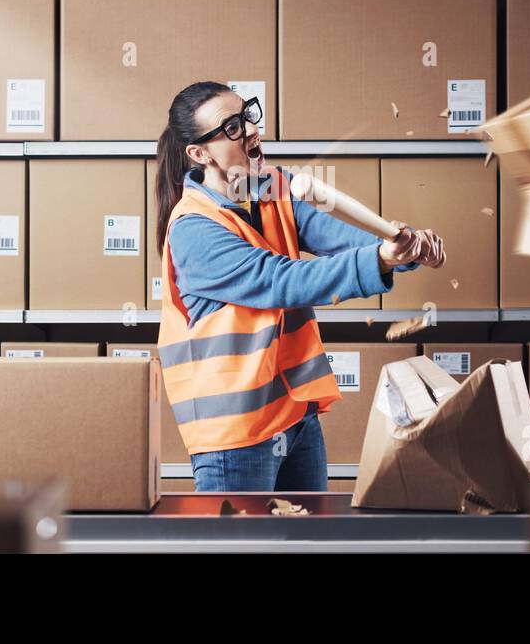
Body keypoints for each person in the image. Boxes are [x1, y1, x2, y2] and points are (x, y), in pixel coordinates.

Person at [154, 81, 446, 492]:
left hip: (294, 417)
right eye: (233, 127)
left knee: (309, 543)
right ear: (200, 154)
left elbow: (341, 237)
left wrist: (406, 247)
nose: (251, 130)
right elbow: (282, 280)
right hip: (236, 436)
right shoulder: (192, 230)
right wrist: (380, 259)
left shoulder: (272, 186)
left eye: (248, 114)